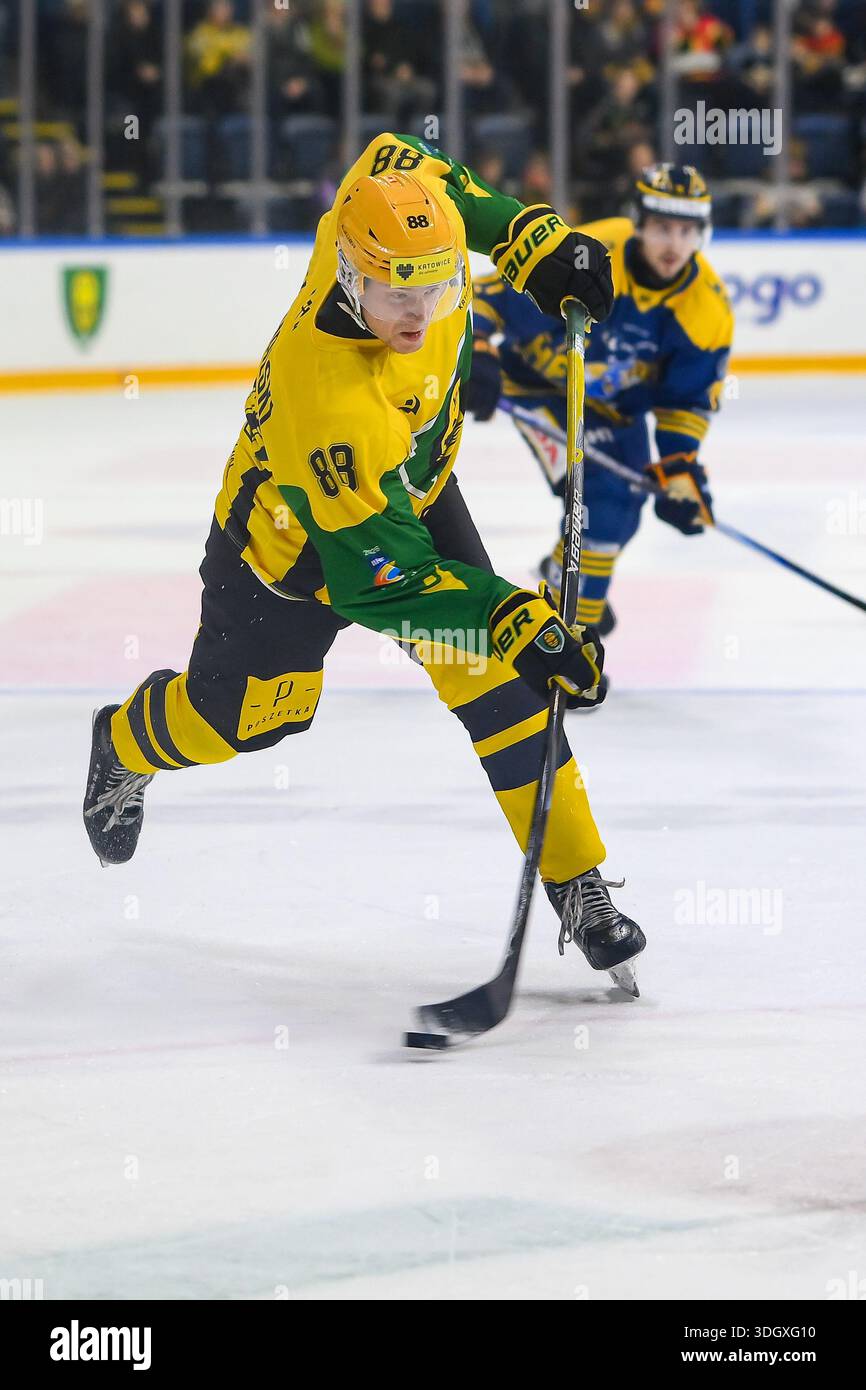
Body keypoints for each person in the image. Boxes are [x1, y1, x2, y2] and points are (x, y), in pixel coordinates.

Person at [83, 131, 646, 987]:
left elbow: (432, 176)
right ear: (350, 275)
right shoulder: (332, 400)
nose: (419, 315)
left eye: (438, 284)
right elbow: (382, 584)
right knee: (255, 720)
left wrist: (528, 236)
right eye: (393, 295)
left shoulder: (393, 210)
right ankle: (125, 740)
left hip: (408, 497)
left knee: (499, 683)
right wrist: (507, 612)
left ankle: (577, 881)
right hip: (296, 549)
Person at [467, 163, 733, 643]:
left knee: (623, 513)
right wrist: (479, 352)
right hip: (538, 390)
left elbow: (686, 402)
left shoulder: (707, 310)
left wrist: (677, 466)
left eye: (687, 231)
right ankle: (571, 639)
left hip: (612, 409)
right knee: (606, 501)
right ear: (639, 222)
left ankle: (559, 576)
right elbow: (489, 294)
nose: (674, 244)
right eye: (662, 228)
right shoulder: (591, 253)